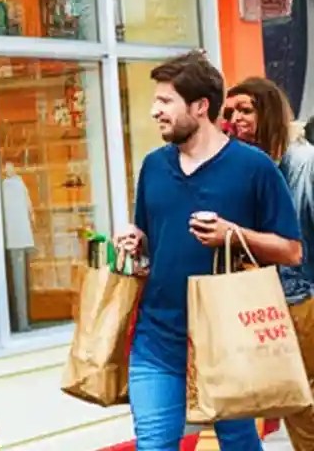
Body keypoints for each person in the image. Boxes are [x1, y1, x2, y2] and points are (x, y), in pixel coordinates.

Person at [117, 54, 302, 451]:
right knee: (153, 444)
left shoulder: (254, 168)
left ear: (200, 106)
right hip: (158, 339)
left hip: (229, 339)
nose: (154, 111)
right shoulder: (152, 167)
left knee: (238, 445)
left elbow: (291, 251)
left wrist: (232, 234)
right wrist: (136, 241)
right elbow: (155, 243)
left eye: (166, 101)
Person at [223, 77, 314, 450]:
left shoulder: (302, 162)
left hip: (303, 298)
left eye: (246, 109)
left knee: (303, 399)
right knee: (295, 401)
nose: (236, 118)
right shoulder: (248, 166)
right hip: (267, 306)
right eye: (230, 111)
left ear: (270, 112)